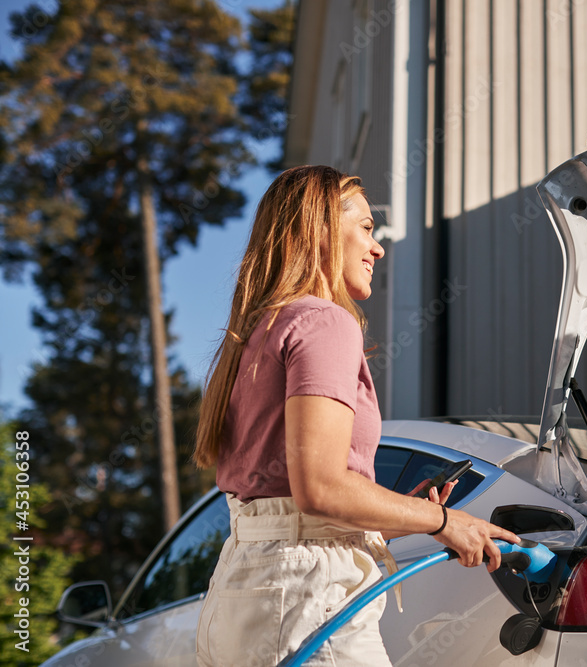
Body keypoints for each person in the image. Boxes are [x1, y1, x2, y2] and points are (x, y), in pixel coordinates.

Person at [192, 165, 518, 667]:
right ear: (320, 228)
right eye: (366, 227)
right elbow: (319, 489)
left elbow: (287, 506)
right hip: (304, 601)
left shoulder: (256, 334)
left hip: (242, 592)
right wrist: (445, 520)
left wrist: (393, 517)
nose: (377, 247)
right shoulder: (325, 322)